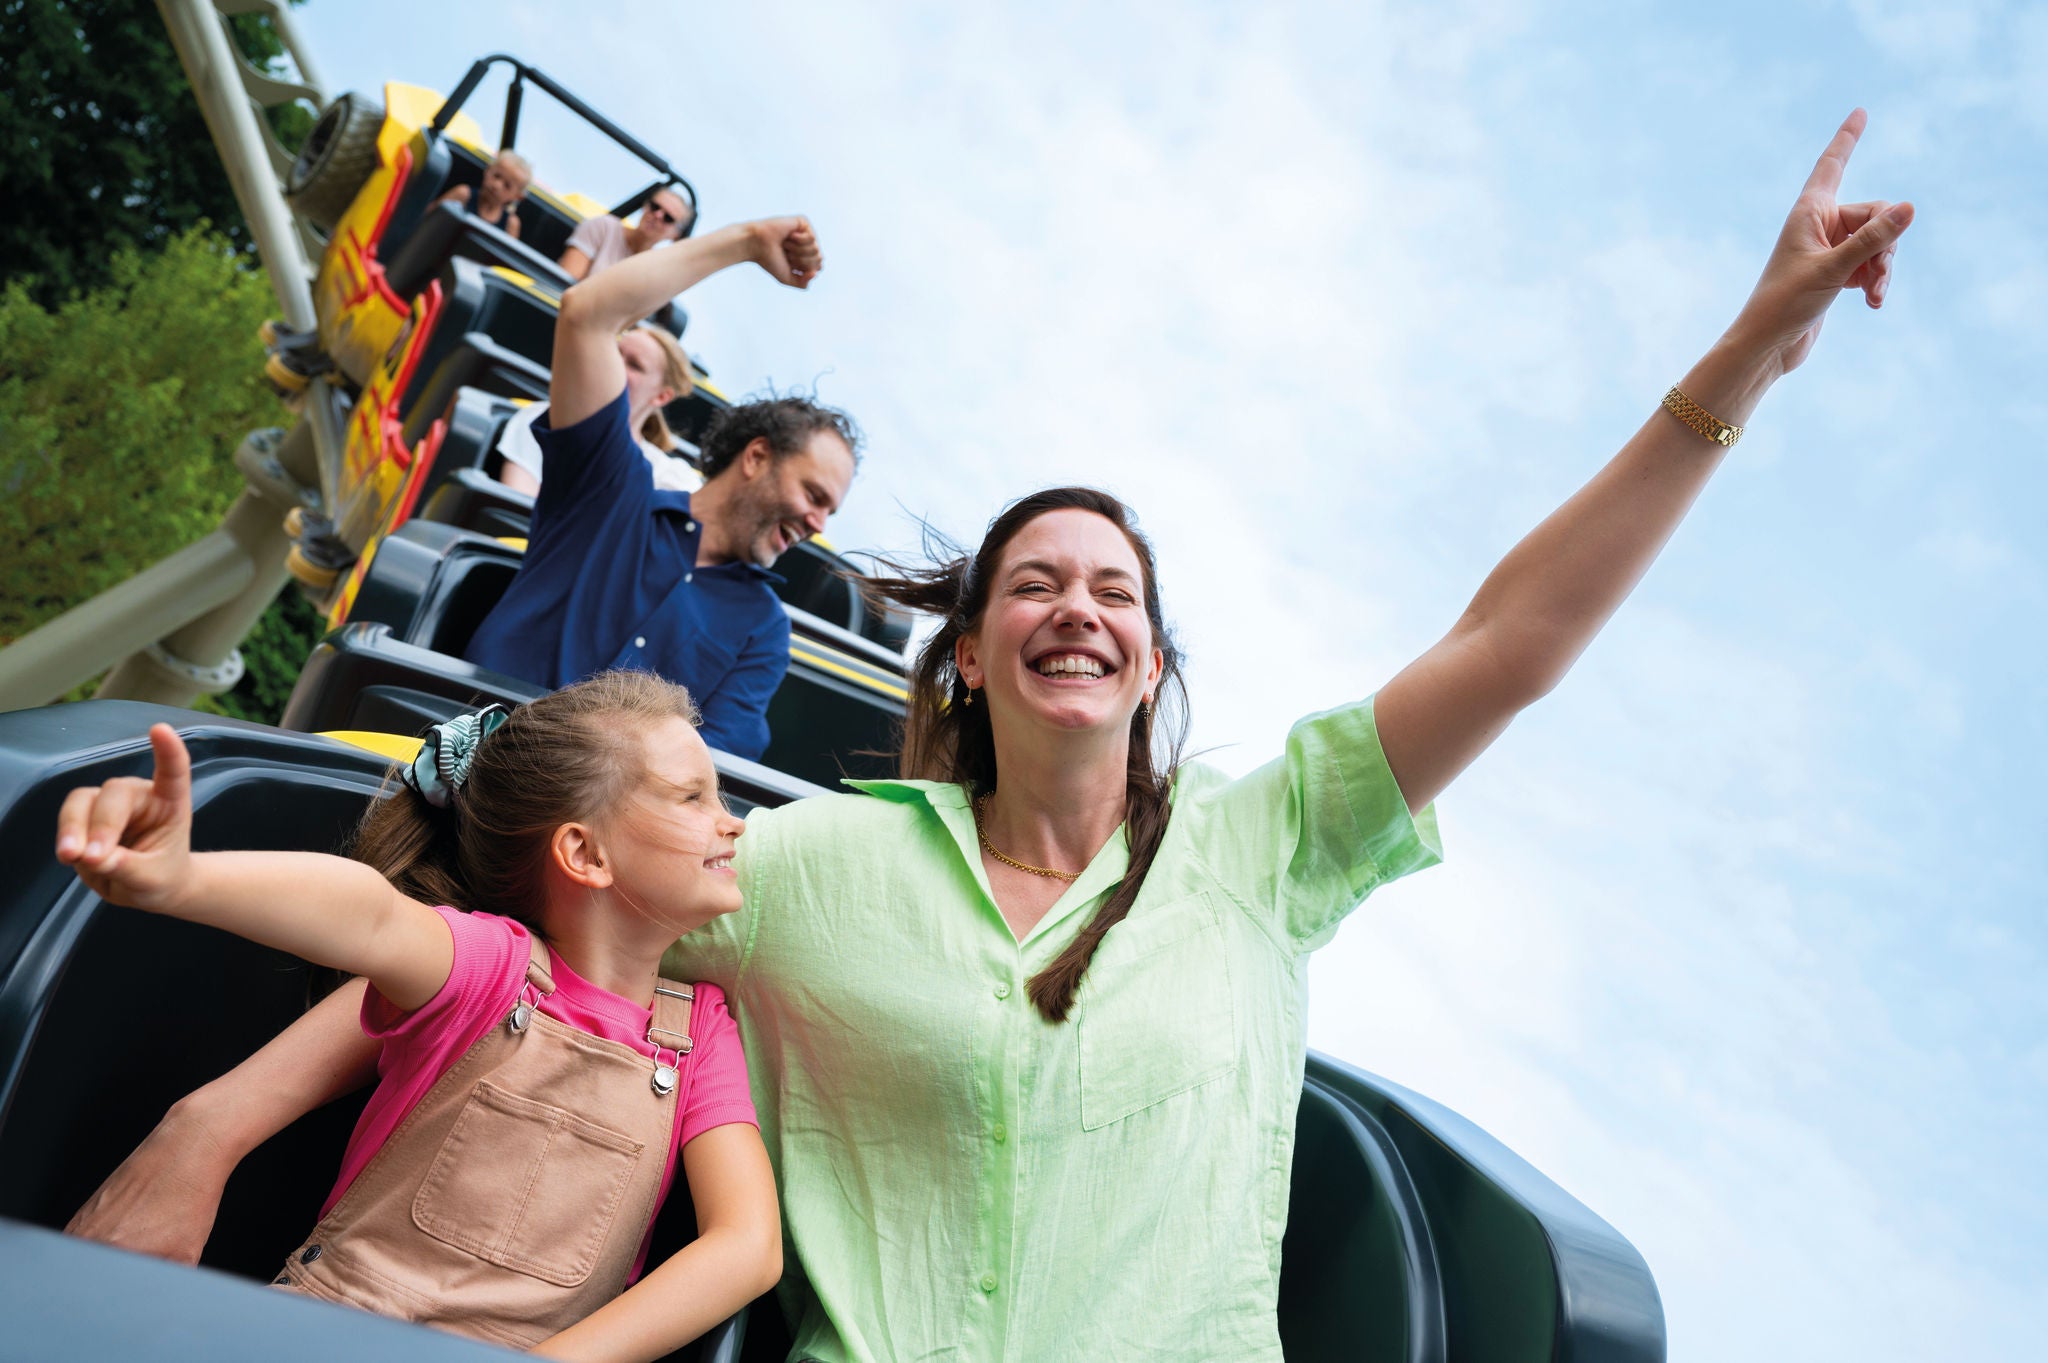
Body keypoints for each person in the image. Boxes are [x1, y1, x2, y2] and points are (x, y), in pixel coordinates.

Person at [67, 112, 1911, 1361]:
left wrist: (1739, 355)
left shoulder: (1273, 841)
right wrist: (212, 1118)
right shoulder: (807, 860)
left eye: (1112, 584)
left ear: (1154, 651)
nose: (1074, 605)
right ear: (964, 653)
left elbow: (1516, 639)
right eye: (1030, 579)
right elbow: (524, 956)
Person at [53, 672, 779, 1360]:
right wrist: (187, 879)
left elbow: (747, 1244)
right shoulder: (491, 965)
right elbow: (367, 914)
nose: (733, 824)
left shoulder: (701, 1030)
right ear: (585, 853)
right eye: (693, 798)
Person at [461, 215, 860, 761]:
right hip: (470, 766)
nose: (817, 524)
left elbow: (709, 767)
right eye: (814, 496)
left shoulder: (763, 629)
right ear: (757, 457)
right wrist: (744, 244)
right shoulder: (611, 489)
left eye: (829, 512)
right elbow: (586, 316)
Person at [495, 324, 700, 497]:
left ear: (661, 396)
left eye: (635, 365)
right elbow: (516, 510)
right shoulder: (544, 421)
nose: (616, 365)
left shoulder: (671, 477)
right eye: (616, 352)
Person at [559, 187, 695, 282]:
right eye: (655, 207)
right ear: (645, 206)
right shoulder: (603, 227)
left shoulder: (655, 273)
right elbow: (565, 281)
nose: (657, 215)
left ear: (675, 235)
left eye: (668, 218)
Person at [434, 149, 532, 239]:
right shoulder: (463, 195)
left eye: (507, 185)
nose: (496, 185)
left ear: (518, 197)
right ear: (488, 170)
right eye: (496, 176)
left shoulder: (511, 224)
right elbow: (429, 220)